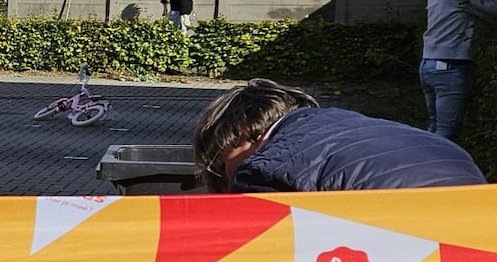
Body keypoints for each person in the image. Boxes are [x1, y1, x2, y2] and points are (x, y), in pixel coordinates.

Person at [193, 79, 483, 192]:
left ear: (240, 133)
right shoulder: (342, 123)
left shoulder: (264, 169)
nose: (226, 178)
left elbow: (254, 259)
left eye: (219, 166)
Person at [420, 0, 497, 140]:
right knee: (447, 133)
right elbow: (493, 8)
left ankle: (422, 165)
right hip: (449, 67)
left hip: (428, 64)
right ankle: (438, 170)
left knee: (435, 127)